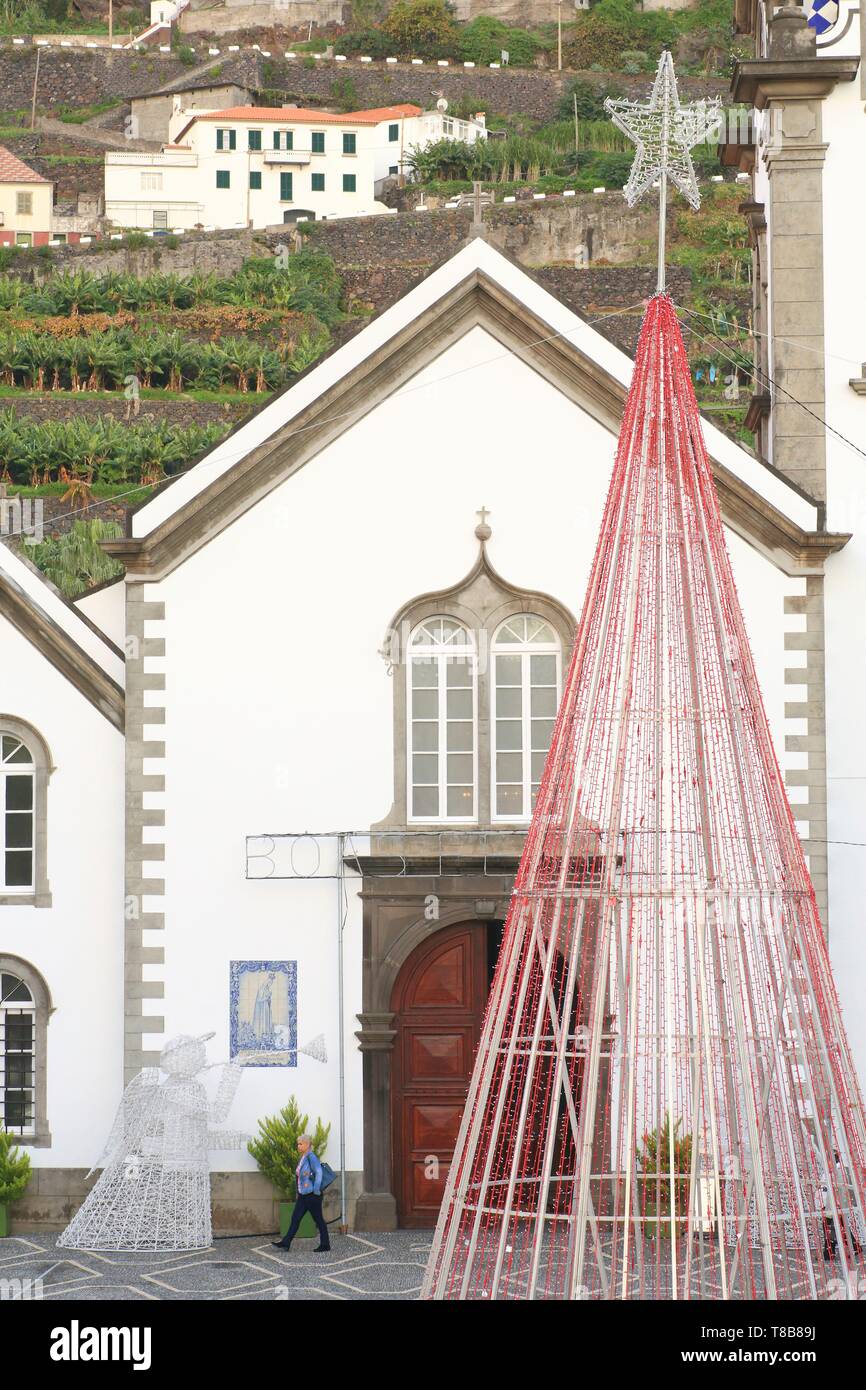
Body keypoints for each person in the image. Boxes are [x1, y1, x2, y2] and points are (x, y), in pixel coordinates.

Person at [272, 1134, 331, 1253]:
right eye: (298, 1144)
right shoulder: (304, 1157)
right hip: (303, 1195)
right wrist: (299, 1192)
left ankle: (325, 1245)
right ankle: (286, 1243)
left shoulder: (311, 1157)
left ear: (307, 1144)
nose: (298, 1146)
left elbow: (318, 1172)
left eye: (300, 1144)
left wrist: (316, 1191)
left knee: (318, 1220)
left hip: (312, 1195)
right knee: (295, 1218)